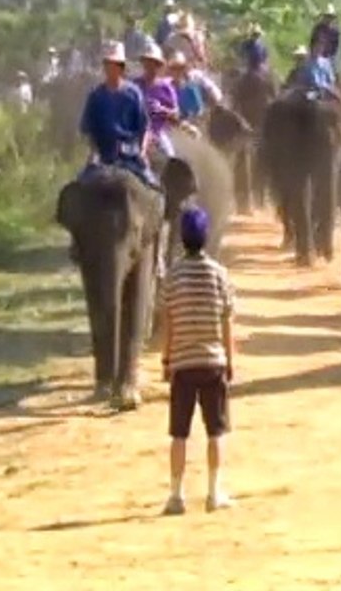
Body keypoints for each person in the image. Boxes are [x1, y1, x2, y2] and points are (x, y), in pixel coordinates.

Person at [158, 205, 237, 516]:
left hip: (182, 364)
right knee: (215, 431)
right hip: (213, 362)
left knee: (179, 433)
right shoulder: (219, 274)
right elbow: (227, 321)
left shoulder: (173, 276)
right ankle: (213, 493)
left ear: (181, 238)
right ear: (206, 237)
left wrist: (166, 360)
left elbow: (169, 321)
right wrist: (229, 360)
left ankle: (176, 496)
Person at [77, 41, 158, 189]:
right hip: (103, 154)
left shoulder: (133, 93)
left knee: (153, 186)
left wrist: (142, 152)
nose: (110, 68)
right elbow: (87, 128)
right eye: (107, 64)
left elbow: (144, 127)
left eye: (114, 64)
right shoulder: (96, 95)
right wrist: (93, 150)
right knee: (79, 186)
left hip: (129, 154)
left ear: (121, 68)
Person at [134, 42, 181, 158]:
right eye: (147, 62)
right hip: (134, 132)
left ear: (158, 65)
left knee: (170, 157)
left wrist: (161, 110)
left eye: (153, 63)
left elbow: (176, 116)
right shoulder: (134, 85)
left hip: (158, 133)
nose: (149, 66)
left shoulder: (166, 88)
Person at [168, 52, 206, 125]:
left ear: (183, 69)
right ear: (170, 70)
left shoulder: (191, 87)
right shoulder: (165, 88)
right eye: (174, 68)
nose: (177, 71)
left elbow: (199, 109)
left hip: (189, 126)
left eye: (180, 68)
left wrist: (190, 120)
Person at [308, 4, 341, 70]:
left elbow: (335, 47)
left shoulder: (335, 31)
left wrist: (330, 57)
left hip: (329, 58)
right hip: (316, 57)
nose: (328, 19)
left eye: (330, 17)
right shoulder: (318, 29)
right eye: (327, 16)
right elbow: (312, 43)